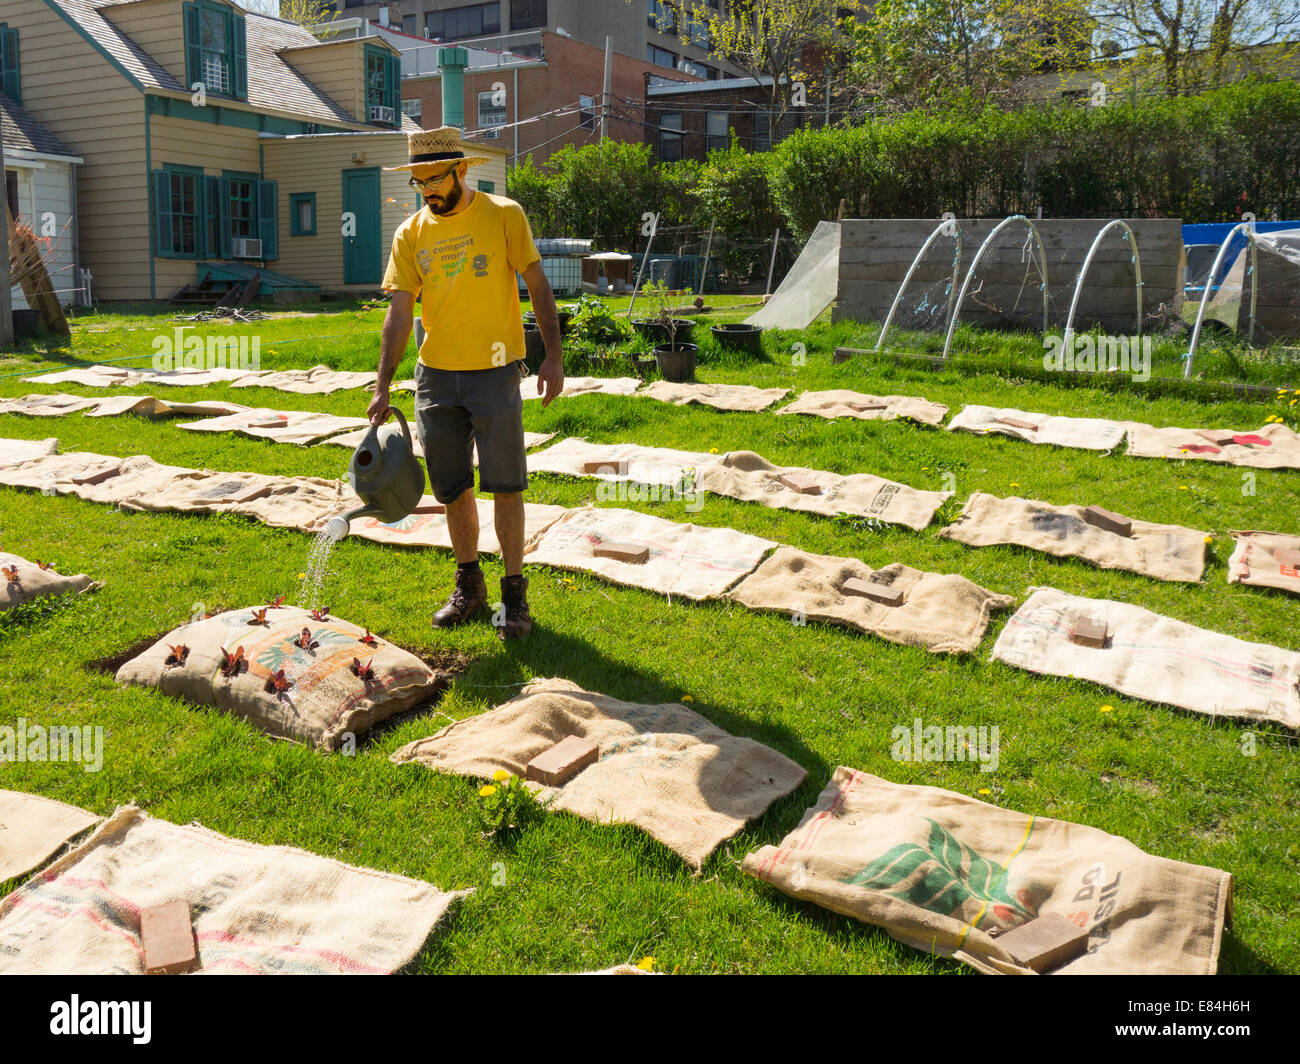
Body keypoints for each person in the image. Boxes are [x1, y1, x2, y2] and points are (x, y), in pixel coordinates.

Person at [368, 127, 564, 639]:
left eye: (434, 179)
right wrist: (382, 382)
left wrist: (553, 357)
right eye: (418, 182)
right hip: (435, 379)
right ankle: (470, 586)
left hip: (496, 373)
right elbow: (399, 312)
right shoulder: (410, 233)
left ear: (460, 170)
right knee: (452, 488)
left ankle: (514, 596)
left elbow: (537, 284)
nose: (427, 190)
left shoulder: (504, 215)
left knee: (506, 486)